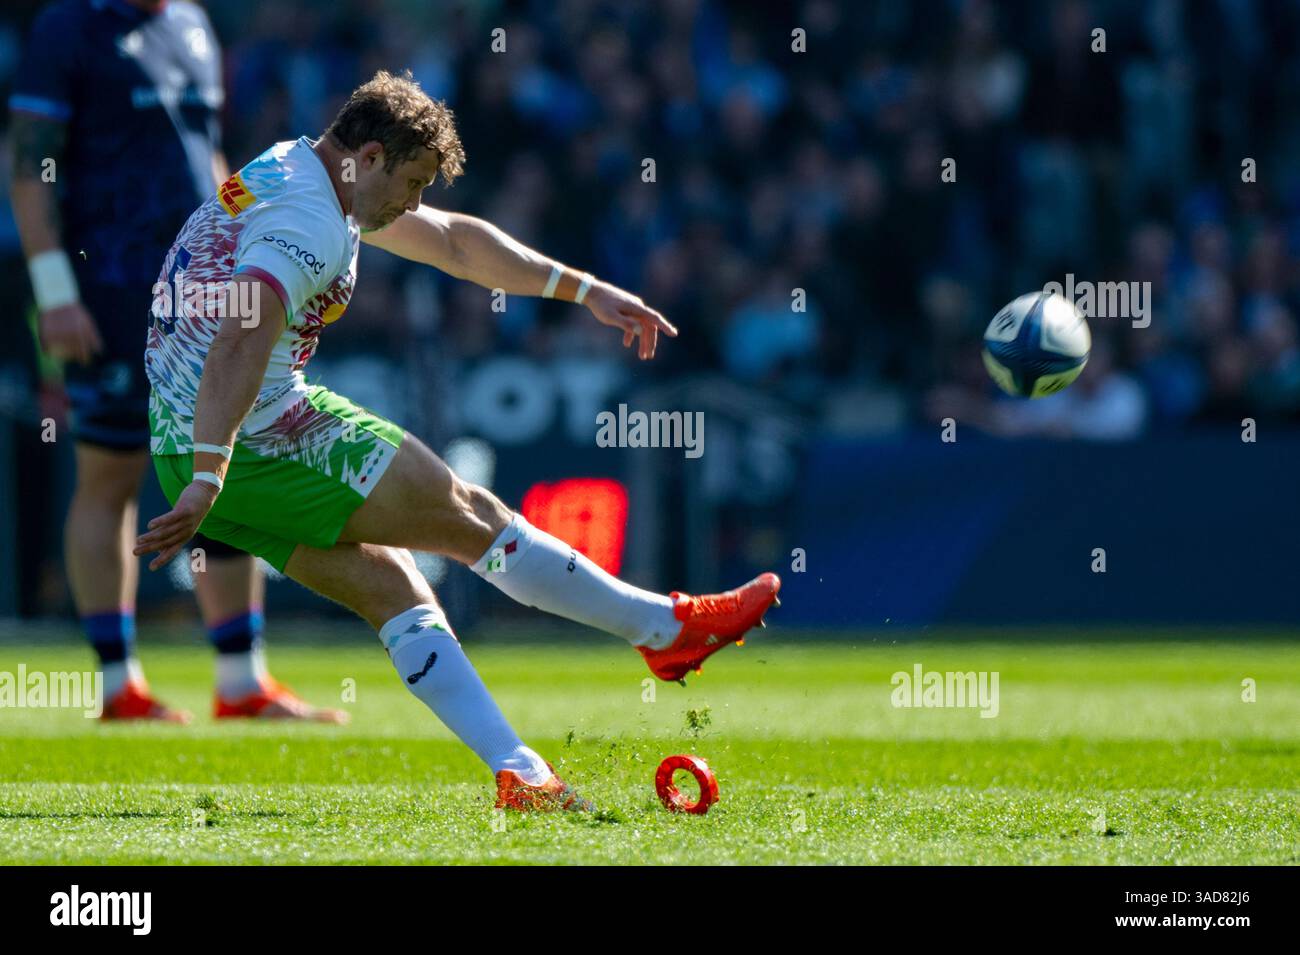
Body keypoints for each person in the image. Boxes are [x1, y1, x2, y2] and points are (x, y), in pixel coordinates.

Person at [133, 70, 780, 810]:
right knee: (470, 514)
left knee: (390, 584)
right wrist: (213, 469)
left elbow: (454, 244)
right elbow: (244, 335)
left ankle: (520, 771)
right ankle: (663, 629)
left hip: (193, 437)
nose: (414, 203)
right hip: (249, 434)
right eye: (410, 182)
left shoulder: (307, 170)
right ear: (370, 155)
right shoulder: (308, 218)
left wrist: (584, 289)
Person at [8, 0, 343, 723]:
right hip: (109, 286)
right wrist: (56, 290)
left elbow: (210, 156)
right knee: (110, 470)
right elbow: (29, 166)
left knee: (218, 458)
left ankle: (239, 679)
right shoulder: (69, 26)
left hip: (201, 289)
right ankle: (117, 681)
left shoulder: (191, 22)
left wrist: (247, 236)